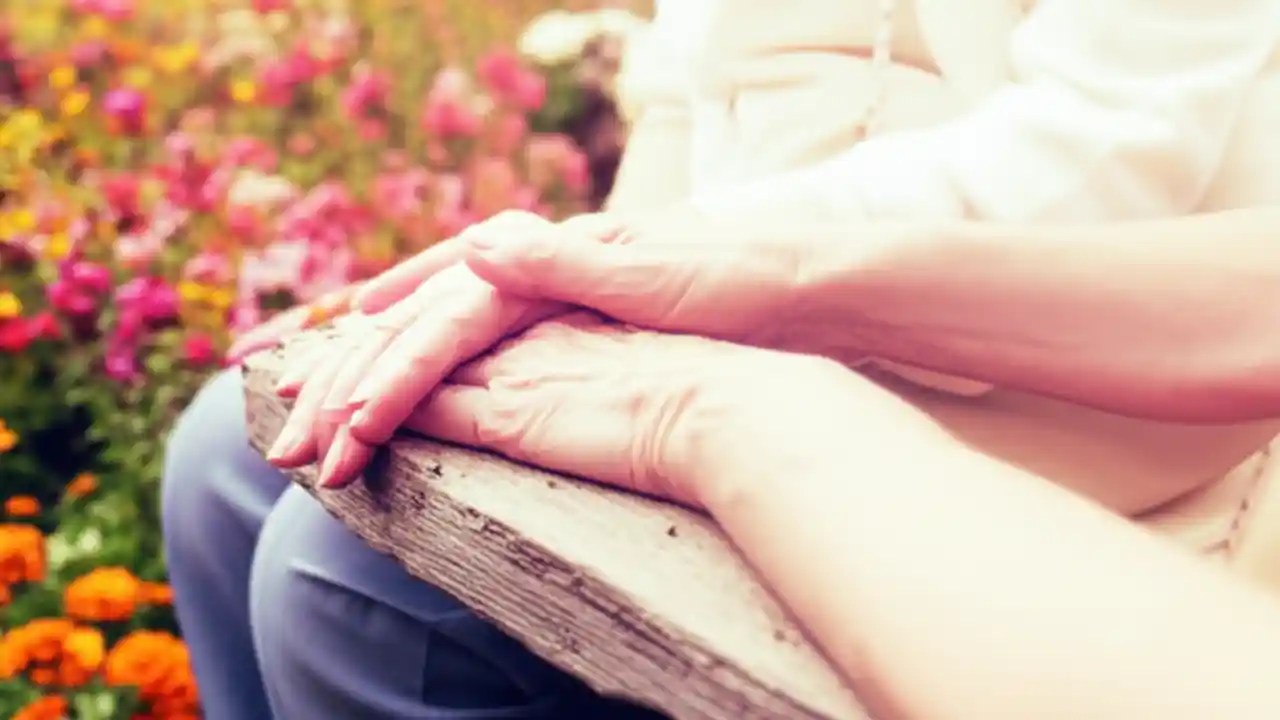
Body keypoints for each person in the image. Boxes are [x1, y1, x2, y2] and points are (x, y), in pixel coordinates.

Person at [163, 0, 1280, 717]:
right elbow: (679, 110)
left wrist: (655, 278)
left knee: (358, 573)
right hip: (733, 285)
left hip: (1040, 353)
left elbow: (1099, 154)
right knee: (231, 445)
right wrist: (567, 289)